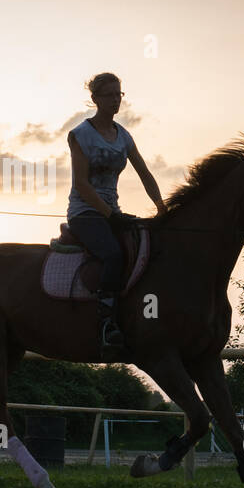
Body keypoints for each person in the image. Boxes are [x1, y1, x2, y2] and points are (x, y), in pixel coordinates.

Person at [66, 73, 167, 359]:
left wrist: (161, 207)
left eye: (118, 95)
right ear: (95, 99)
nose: (115, 100)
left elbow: (145, 174)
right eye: (109, 95)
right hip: (85, 213)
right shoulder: (80, 135)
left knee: (146, 248)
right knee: (113, 254)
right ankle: (106, 322)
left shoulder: (124, 136)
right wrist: (109, 215)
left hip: (113, 212)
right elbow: (82, 186)